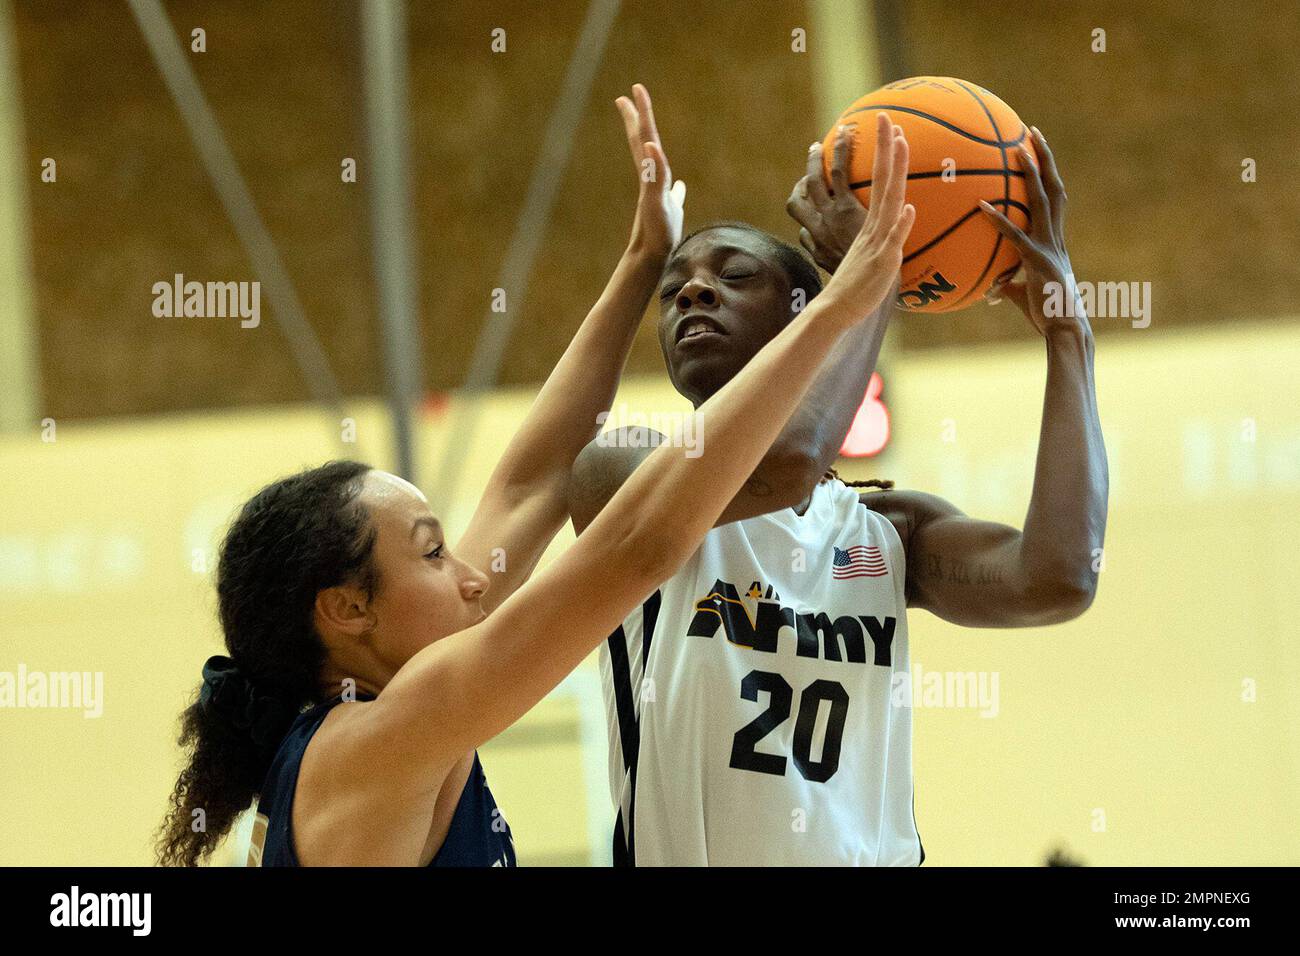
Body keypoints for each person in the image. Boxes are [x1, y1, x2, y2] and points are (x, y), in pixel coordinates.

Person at [155, 89, 917, 867]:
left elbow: (535, 481)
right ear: (348, 608)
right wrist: (840, 307)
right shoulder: (381, 739)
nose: (474, 577)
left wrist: (643, 261)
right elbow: (640, 547)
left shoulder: (389, 716)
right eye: (431, 554)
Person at [567, 121, 1107, 866]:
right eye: (675, 288)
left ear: (801, 313)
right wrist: (876, 268)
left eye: (735, 275)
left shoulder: (887, 533)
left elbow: (1060, 577)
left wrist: (1067, 336)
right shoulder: (622, 472)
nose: (693, 288)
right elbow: (789, 460)